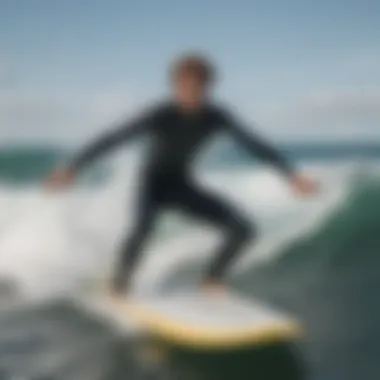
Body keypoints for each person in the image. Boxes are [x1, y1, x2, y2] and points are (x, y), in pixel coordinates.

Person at [46, 53, 318, 296]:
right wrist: (73, 167)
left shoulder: (217, 116)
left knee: (242, 229)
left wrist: (291, 175)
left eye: (197, 86)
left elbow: (254, 143)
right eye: (183, 86)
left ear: (208, 87)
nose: (190, 92)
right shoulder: (160, 114)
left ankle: (212, 280)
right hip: (151, 185)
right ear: (174, 86)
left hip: (180, 185)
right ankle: (120, 284)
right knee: (142, 229)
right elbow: (114, 138)